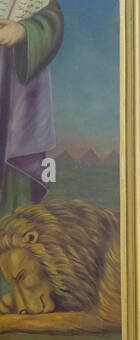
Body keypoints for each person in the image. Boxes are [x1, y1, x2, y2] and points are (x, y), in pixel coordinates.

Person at [0, 0, 63, 217]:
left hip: (17, 82)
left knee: (16, 171)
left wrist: (24, 31)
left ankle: (11, 228)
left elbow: (52, 20)